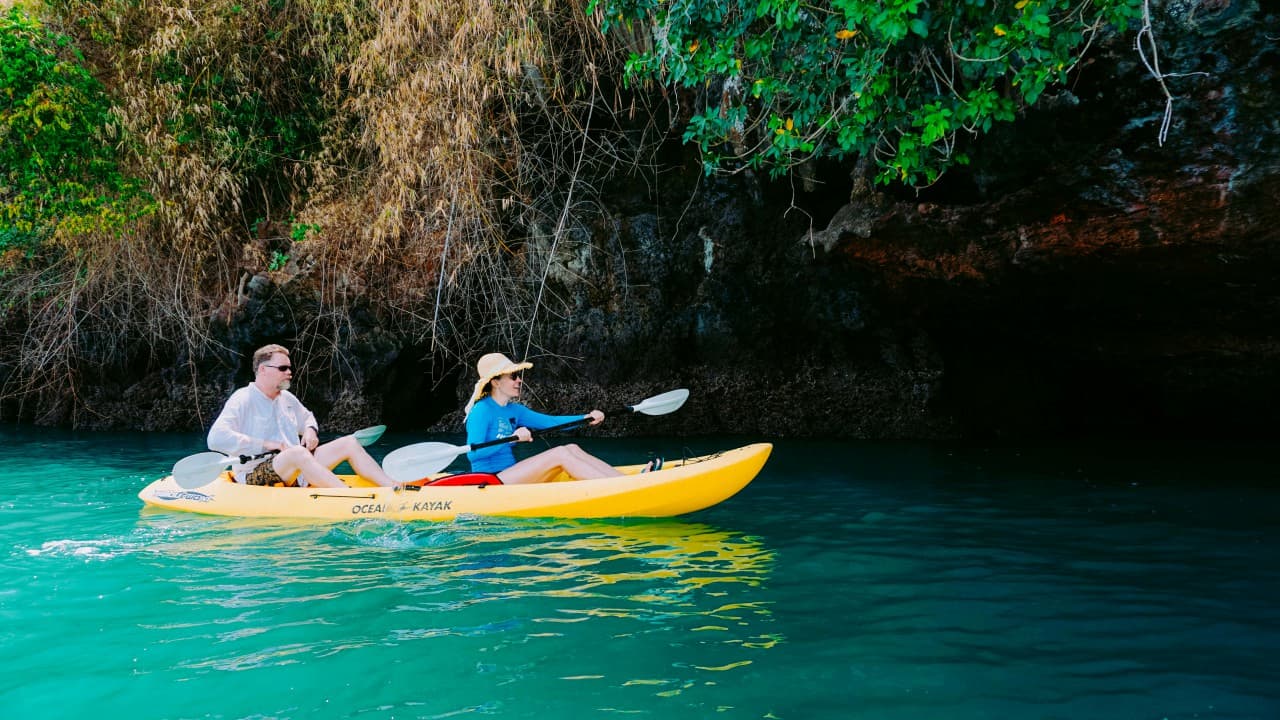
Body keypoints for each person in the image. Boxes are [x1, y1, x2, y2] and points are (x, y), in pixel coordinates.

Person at [208, 344, 399, 488]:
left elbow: (308, 418)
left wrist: (310, 431)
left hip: (295, 466)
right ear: (263, 370)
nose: (289, 373)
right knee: (298, 453)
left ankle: (392, 487)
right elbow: (216, 438)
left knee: (349, 442)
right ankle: (346, 496)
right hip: (254, 473)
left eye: (289, 368)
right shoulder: (243, 399)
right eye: (282, 368)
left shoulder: (287, 398)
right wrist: (265, 444)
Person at [464, 352, 629, 484]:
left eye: (518, 375)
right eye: (513, 376)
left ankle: (625, 482)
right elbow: (473, 455)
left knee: (572, 448)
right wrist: (511, 439)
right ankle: (616, 487)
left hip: (510, 473)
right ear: (496, 383)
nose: (519, 380)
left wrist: (586, 417)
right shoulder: (481, 411)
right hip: (489, 479)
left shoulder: (515, 410)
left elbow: (551, 422)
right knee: (560, 453)